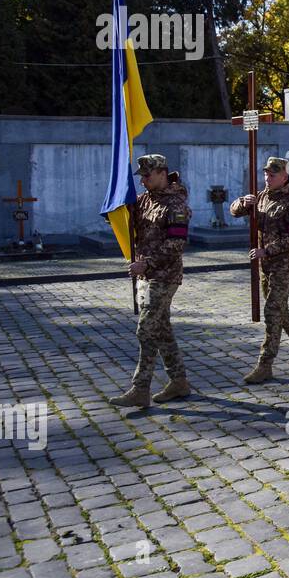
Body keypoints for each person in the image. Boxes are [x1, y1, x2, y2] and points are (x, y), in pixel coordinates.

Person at [109, 154, 192, 409]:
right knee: (162, 329)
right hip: (145, 275)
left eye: (147, 175)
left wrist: (147, 263)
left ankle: (140, 388)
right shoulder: (145, 200)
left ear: (162, 173)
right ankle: (179, 382)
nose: (143, 180)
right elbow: (130, 221)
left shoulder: (176, 205)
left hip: (164, 276)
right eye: (141, 176)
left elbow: (176, 244)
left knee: (145, 329)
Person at [231, 156, 289, 384]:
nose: (267, 178)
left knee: (272, 312)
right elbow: (234, 211)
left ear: (284, 176)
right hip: (265, 266)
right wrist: (244, 203)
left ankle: (265, 365)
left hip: (283, 265)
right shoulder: (261, 197)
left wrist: (267, 250)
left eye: (273, 175)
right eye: (266, 174)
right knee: (280, 310)